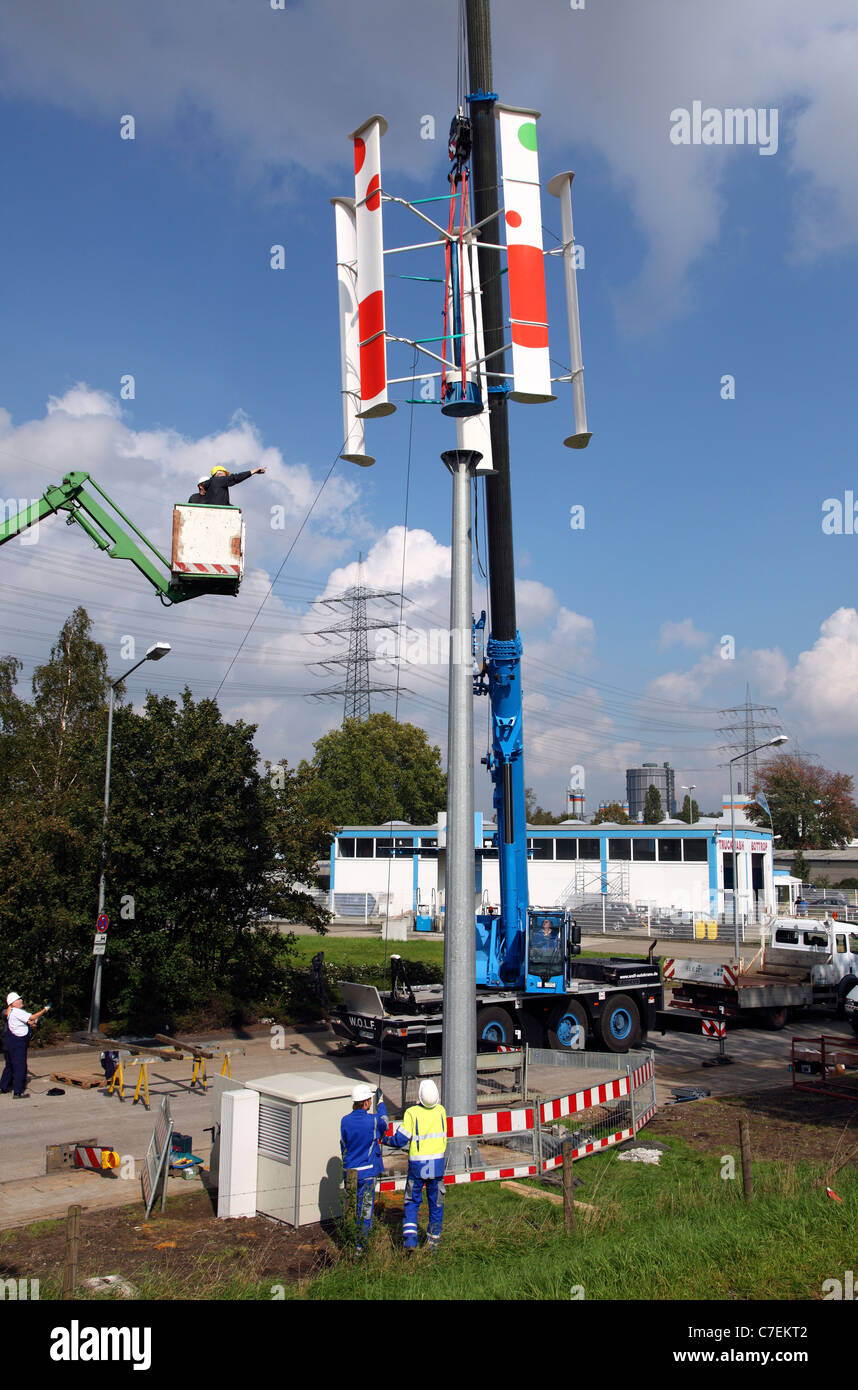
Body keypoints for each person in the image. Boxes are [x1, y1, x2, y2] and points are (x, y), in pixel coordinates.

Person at [386, 1079, 447, 1254]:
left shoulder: (412, 1113)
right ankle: (433, 1245)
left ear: (419, 1096)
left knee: (412, 1201)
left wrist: (386, 1140)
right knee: (436, 1204)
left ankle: (410, 1241)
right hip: (437, 1165)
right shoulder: (441, 1111)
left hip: (418, 1165)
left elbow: (400, 1139)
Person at [339, 1082, 388, 1253]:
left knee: (350, 1208)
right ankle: (360, 1247)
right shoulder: (373, 1121)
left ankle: (348, 1243)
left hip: (350, 1172)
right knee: (365, 1210)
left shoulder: (344, 1121)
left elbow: (343, 1144)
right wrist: (381, 1103)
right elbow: (385, 1124)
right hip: (367, 1172)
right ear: (367, 1102)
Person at [1, 993, 49, 1098]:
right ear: (13, 1003)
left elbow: (26, 1020)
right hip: (17, 1042)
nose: (21, 1000)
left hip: (10, 1041)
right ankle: (18, 1092)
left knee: (10, 1065)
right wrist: (45, 1010)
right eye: (19, 999)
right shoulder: (16, 1011)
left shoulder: (11, 1012)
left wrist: (30, 1023)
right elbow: (33, 1016)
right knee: (20, 1066)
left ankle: (3, 1087)